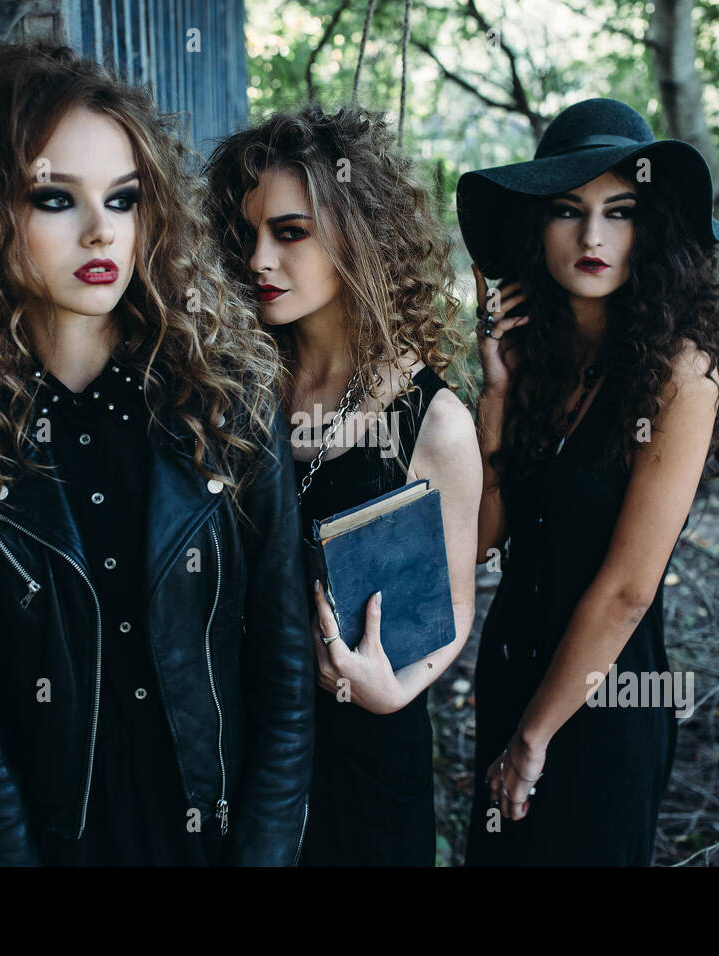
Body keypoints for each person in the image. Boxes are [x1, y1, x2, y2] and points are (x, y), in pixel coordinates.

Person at [0, 42, 314, 866]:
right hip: (59, 841)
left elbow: (283, 667)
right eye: (53, 198)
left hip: (208, 828)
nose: (100, 230)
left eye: (123, 198)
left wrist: (263, 854)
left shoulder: (228, 391)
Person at [457, 97, 719, 865]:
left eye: (619, 212)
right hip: (510, 670)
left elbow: (628, 589)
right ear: (536, 230)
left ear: (650, 231)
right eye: (568, 210)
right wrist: (494, 394)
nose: (593, 237)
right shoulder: (536, 363)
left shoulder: (681, 374)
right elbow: (485, 541)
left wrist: (533, 737)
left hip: (602, 698)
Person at [204, 106, 481, 866]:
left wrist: (393, 689)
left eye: (290, 232)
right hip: (242, 735)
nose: (260, 258)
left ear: (357, 231)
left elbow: (455, 608)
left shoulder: (435, 422)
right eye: (247, 234)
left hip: (361, 741)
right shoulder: (238, 382)